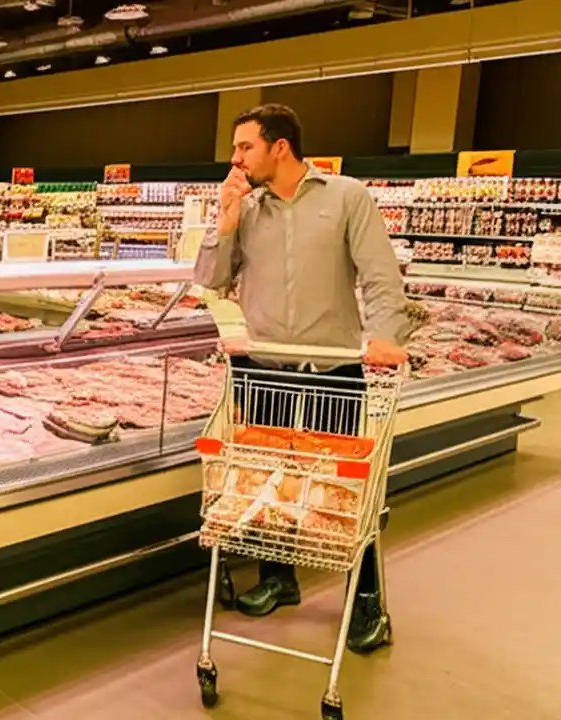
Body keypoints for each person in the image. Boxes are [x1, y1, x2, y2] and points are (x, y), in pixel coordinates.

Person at [194, 104, 409, 655]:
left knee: (340, 491)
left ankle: (366, 601)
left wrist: (385, 335)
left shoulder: (346, 197)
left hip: (331, 368)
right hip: (263, 368)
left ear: (279, 147)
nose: (235, 158)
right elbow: (210, 281)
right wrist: (224, 219)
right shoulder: (248, 208)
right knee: (270, 481)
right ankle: (278, 577)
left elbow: (380, 275)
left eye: (244, 147)